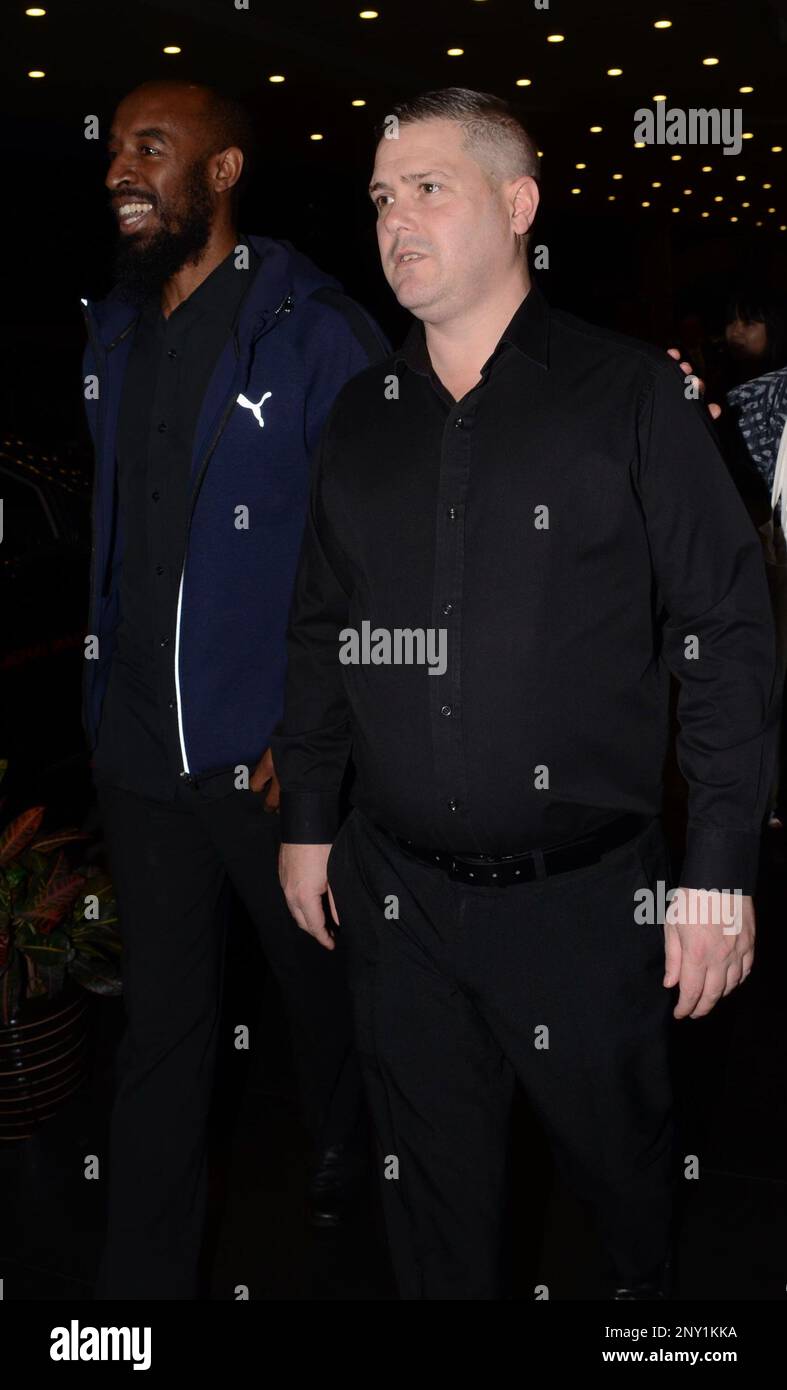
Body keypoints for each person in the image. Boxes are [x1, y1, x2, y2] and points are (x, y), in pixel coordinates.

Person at [273, 88, 781, 1300]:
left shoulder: (629, 397)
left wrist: (717, 866)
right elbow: (321, 627)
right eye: (383, 198)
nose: (397, 219)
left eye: (429, 189)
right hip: (395, 896)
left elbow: (724, 627)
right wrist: (307, 821)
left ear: (517, 205)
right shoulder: (359, 418)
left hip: (588, 905)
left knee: (625, 1193)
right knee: (434, 1218)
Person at [81, 78, 389, 1299]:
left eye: (149, 147)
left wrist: (317, 732)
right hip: (139, 758)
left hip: (266, 763)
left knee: (334, 1011)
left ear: (221, 172)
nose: (119, 167)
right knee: (162, 1033)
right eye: (112, 147)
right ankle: (133, 1299)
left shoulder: (315, 330)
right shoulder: (115, 326)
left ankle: (363, 1184)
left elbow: (382, 547)